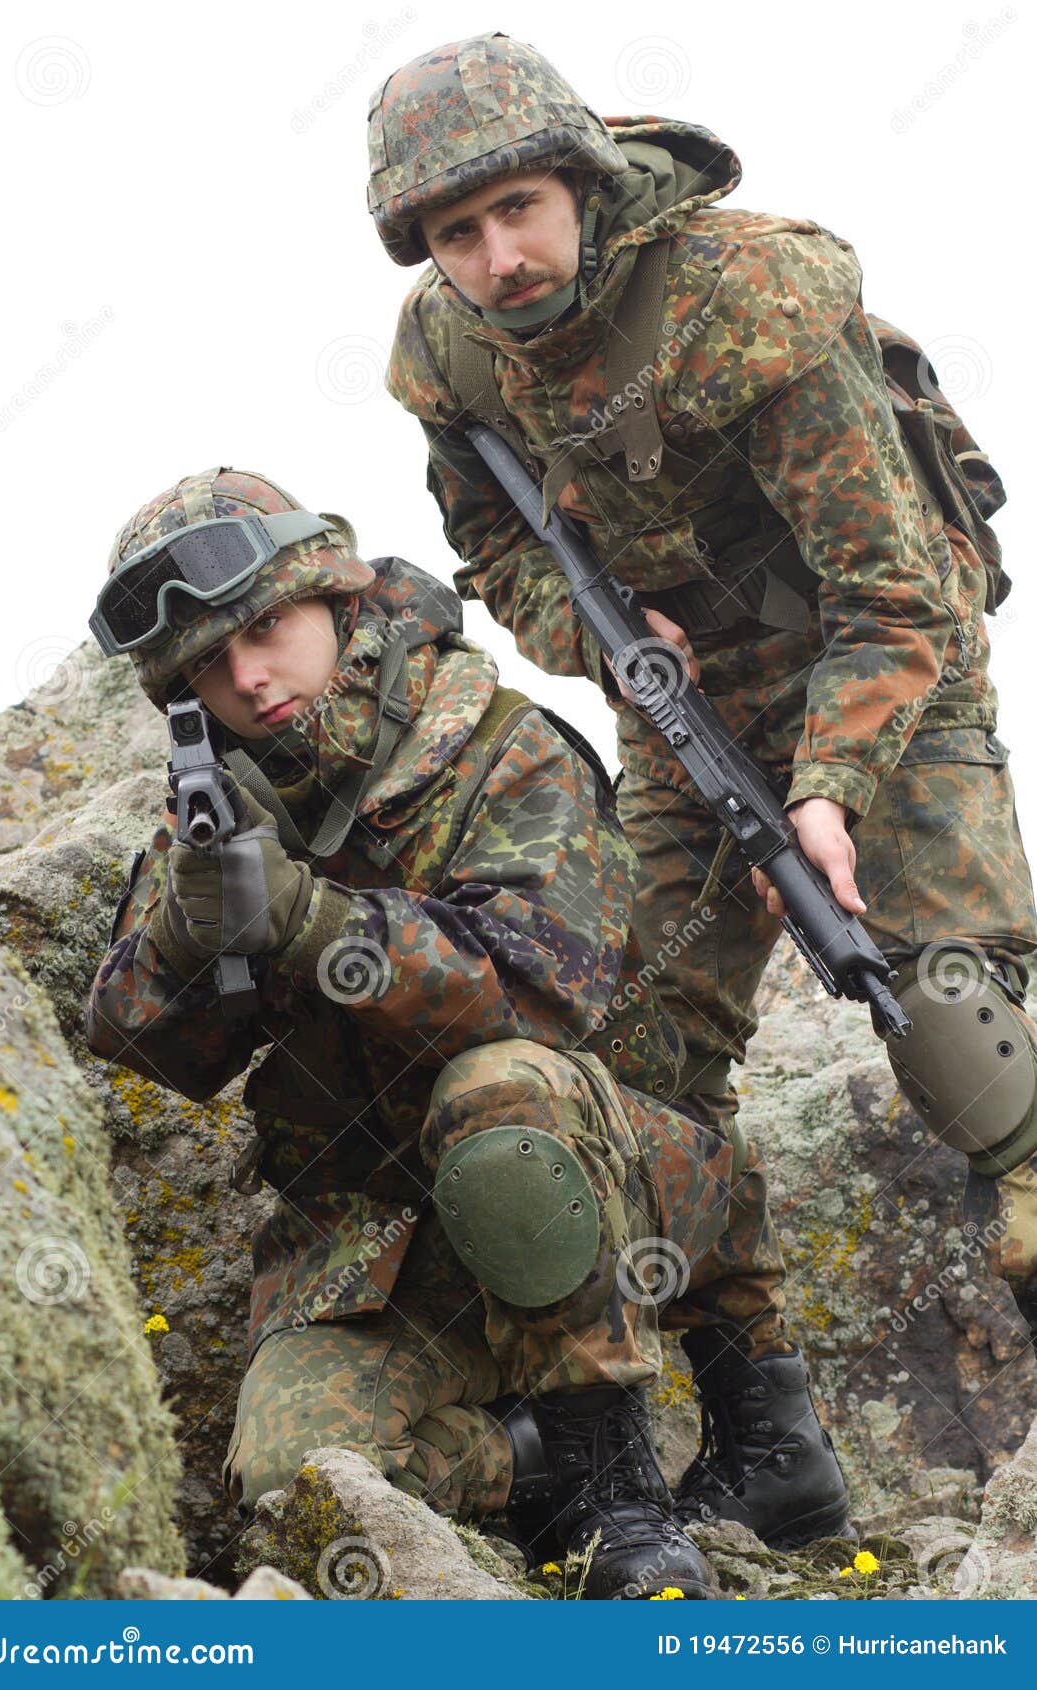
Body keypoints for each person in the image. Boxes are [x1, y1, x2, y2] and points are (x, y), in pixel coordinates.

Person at [371, 31, 1037, 1538]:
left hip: (877, 665)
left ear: (582, 184)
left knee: (947, 1012)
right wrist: (603, 644)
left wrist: (829, 789)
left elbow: (896, 589)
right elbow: (497, 553)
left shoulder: (747, 297)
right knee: (642, 1063)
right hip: (681, 707)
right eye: (455, 234)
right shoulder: (447, 350)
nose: (497, 255)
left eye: (519, 209)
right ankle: (761, 1439)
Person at [83, 465, 852, 1598]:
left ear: (334, 601)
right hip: (390, 1251)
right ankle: (532, 1466)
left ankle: (612, 1495)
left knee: (501, 1089)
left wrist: (306, 920)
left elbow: (538, 994)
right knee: (297, 1479)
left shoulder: (500, 747)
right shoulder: (222, 802)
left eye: (263, 630)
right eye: (204, 665)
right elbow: (147, 1045)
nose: (247, 677)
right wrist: (190, 939)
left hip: (611, 1184)